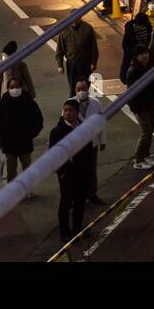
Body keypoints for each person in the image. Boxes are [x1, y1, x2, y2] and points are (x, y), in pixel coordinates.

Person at [49, 100, 95, 243]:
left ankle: (77, 227)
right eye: (65, 110)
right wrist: (61, 173)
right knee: (66, 202)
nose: (67, 113)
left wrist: (89, 170)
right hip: (67, 174)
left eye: (70, 110)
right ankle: (64, 231)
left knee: (80, 201)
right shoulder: (57, 132)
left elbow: (89, 149)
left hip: (82, 172)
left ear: (76, 112)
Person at [0, 76, 44, 188]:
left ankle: (28, 189)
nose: (15, 89)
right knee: (11, 170)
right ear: (8, 89)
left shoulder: (28, 102)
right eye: (12, 87)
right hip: (9, 145)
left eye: (17, 86)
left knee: (27, 168)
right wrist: (0, 141)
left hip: (25, 143)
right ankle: (12, 191)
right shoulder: (2, 105)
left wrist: (31, 134)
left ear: (21, 87)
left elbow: (38, 120)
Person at [124, 48, 154, 169]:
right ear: (137, 56)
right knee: (146, 132)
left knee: (151, 131)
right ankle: (138, 159)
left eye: (146, 53)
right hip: (141, 107)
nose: (145, 56)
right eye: (142, 54)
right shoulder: (133, 71)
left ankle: (146, 155)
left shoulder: (150, 66)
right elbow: (131, 92)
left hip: (152, 104)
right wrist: (136, 108)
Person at [73, 78, 107, 205]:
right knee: (78, 171)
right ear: (75, 90)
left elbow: (101, 123)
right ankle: (79, 195)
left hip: (92, 143)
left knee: (92, 169)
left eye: (84, 89)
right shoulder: (70, 104)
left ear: (88, 90)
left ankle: (92, 194)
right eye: (78, 89)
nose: (81, 92)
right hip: (77, 144)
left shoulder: (96, 103)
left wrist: (102, 141)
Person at [55, 13, 98, 98]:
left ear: (80, 18)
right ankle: (74, 106)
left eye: (76, 19)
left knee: (85, 87)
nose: (74, 21)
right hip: (72, 65)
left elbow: (94, 48)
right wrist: (60, 65)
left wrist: (93, 62)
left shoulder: (88, 28)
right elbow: (60, 49)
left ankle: (85, 106)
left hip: (85, 64)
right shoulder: (64, 30)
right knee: (73, 88)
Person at [0, 40, 36, 106]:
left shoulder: (21, 64)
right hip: (7, 93)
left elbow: (28, 79)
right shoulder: (0, 65)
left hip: (20, 93)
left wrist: (31, 93)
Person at [120, 10, 153, 82]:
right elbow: (125, 43)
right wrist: (131, 52)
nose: (141, 26)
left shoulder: (148, 27)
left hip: (143, 53)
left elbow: (149, 40)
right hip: (132, 53)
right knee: (131, 73)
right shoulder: (130, 27)